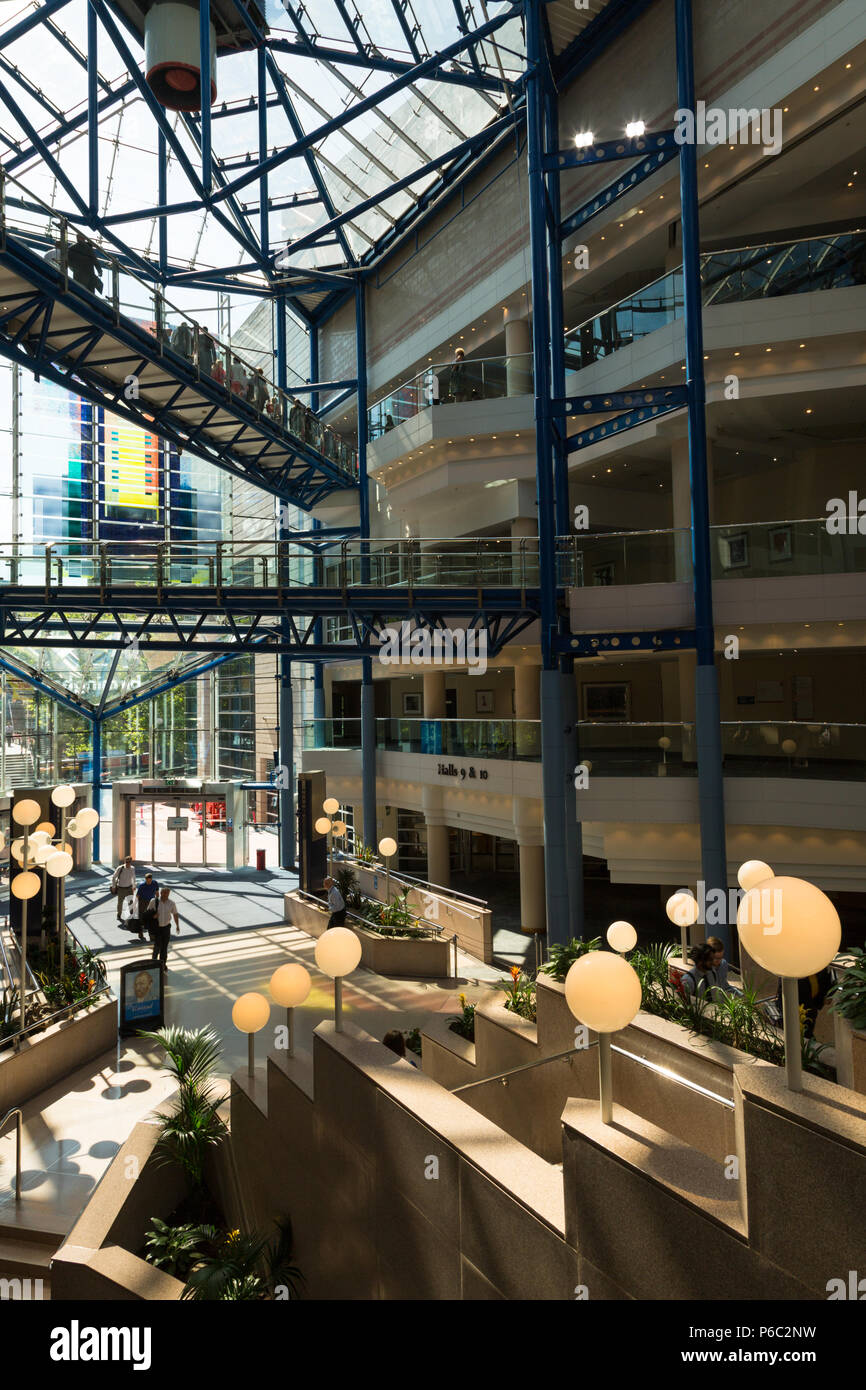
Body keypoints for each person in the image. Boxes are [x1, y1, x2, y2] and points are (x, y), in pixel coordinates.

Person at [152, 886, 180, 971]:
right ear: (161, 893)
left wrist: (177, 925)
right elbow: (147, 913)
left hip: (166, 928)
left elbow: (175, 914)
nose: (166, 895)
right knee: (157, 946)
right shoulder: (154, 902)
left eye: (167, 893)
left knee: (164, 947)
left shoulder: (171, 903)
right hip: (157, 928)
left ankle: (163, 964)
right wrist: (153, 916)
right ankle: (154, 963)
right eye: (164, 893)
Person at [111, 855, 137, 924]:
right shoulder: (120, 868)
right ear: (125, 861)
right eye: (127, 861)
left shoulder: (132, 868)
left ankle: (132, 915)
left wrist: (134, 886)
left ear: (131, 862)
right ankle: (119, 915)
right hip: (121, 889)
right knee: (120, 903)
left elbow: (133, 878)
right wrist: (113, 886)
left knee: (131, 902)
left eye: (129, 862)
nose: (128, 863)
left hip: (129, 888)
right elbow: (114, 877)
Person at [136, 872, 160, 945]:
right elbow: (137, 896)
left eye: (150, 880)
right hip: (143, 902)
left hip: (151, 902)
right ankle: (140, 932)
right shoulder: (142, 885)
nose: (149, 882)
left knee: (151, 919)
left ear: (152, 879)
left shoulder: (154, 883)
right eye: (148, 880)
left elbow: (157, 892)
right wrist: (136, 905)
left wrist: (157, 900)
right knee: (141, 918)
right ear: (145, 879)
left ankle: (151, 935)